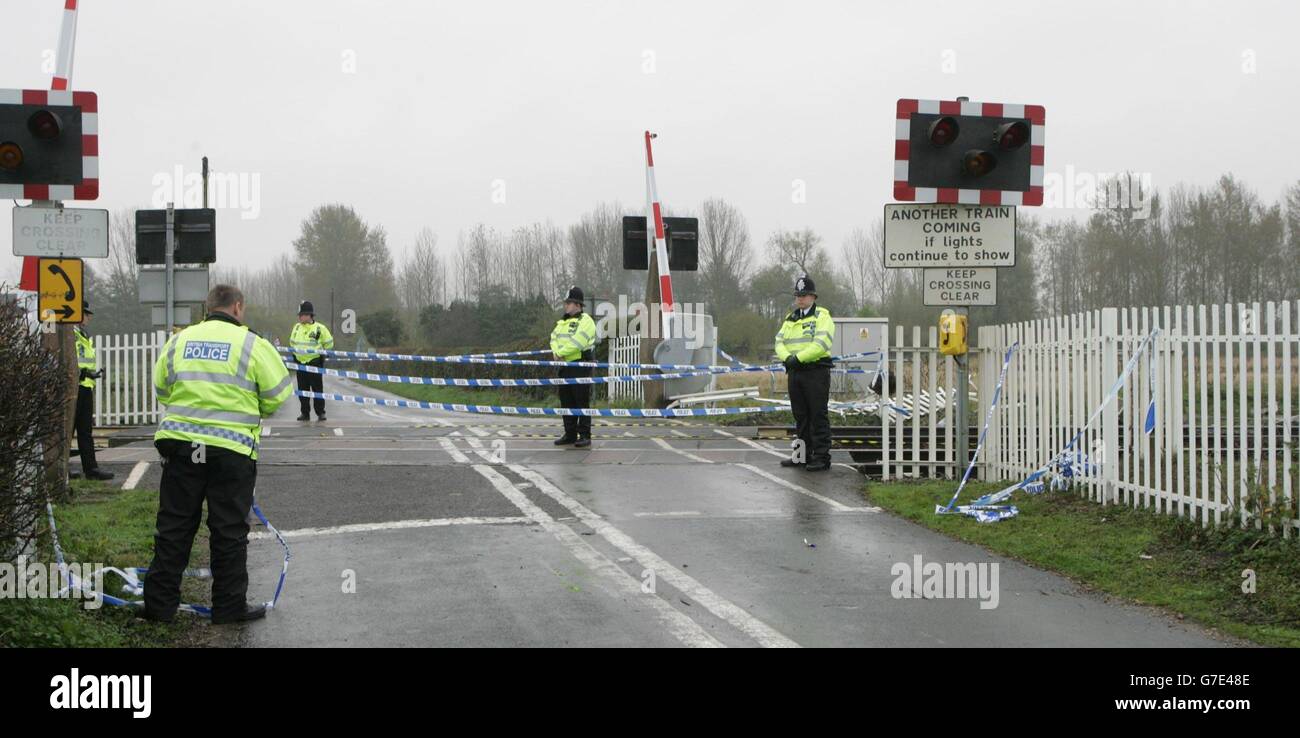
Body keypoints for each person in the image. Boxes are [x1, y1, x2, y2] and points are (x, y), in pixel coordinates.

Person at [143, 284, 293, 624]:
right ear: (237, 307)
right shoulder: (252, 344)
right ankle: (227, 608)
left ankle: (158, 607)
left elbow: (162, 388)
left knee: (175, 525)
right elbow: (277, 395)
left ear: (207, 307)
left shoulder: (180, 340)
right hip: (230, 451)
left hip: (182, 448)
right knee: (228, 531)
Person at [774, 274, 835, 472]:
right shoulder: (790, 319)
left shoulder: (822, 317)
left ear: (813, 297)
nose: (801, 298)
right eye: (798, 295)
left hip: (815, 371)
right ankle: (801, 456)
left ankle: (821, 457)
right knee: (800, 416)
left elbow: (820, 345)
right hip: (795, 371)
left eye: (805, 294)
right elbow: (779, 343)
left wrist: (797, 358)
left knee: (817, 415)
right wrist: (788, 359)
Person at [550, 286, 597, 448]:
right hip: (564, 366)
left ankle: (584, 435)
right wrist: (557, 353)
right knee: (566, 401)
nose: (566, 305)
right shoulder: (562, 322)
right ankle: (569, 434)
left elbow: (578, 342)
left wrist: (561, 353)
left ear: (577, 304)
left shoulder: (586, 321)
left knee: (581, 401)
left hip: (579, 365)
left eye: (569, 302)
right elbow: (553, 338)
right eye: (566, 303)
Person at [73, 301, 113, 481]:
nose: (88, 318)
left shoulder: (82, 335)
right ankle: (65, 471)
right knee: (69, 432)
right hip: (74, 388)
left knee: (84, 431)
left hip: (85, 387)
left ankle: (91, 469)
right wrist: (83, 372)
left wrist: (90, 374)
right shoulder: (71, 335)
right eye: (86, 314)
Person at [289, 300, 333, 421]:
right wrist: (295, 355)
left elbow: (329, 343)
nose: (299, 317)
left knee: (317, 390)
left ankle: (320, 413)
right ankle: (305, 413)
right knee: (303, 391)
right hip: (300, 364)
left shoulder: (320, 328)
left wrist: (324, 355)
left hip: (314, 363)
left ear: (309, 315)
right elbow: (292, 343)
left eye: (301, 314)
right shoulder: (296, 327)